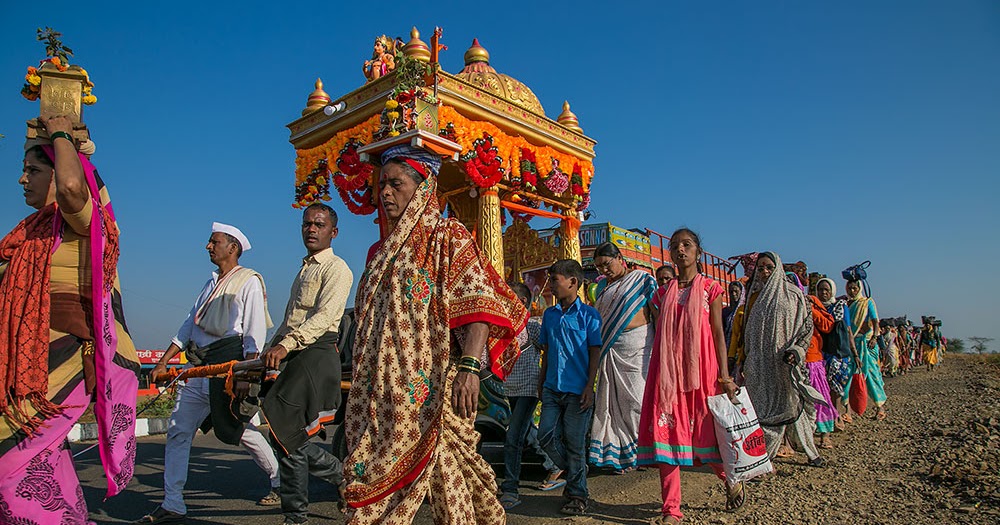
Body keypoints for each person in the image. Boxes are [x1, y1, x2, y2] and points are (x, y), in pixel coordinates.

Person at [342, 145, 527, 524]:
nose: (386, 193)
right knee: (371, 477)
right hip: (381, 394)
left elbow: (477, 305)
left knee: (456, 483)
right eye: (381, 186)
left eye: (396, 184)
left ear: (423, 187)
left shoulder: (447, 235)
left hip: (436, 389)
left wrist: (470, 369)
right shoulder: (379, 252)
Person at [1, 116, 140, 523]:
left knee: (10, 462)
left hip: (65, 361)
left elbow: (72, 188)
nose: (23, 180)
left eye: (33, 171)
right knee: (41, 456)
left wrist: (61, 133)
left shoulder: (85, 222)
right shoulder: (27, 233)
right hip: (26, 360)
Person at [138, 223, 279, 524]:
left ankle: (279, 479)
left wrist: (245, 374)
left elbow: (253, 334)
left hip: (229, 368)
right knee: (178, 430)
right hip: (197, 368)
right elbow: (189, 325)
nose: (208, 246)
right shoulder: (211, 282)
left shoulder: (248, 281)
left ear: (232, 248)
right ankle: (173, 502)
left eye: (214, 242)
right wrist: (164, 362)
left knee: (243, 433)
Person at [637, 228, 743, 524]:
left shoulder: (711, 288)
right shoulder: (661, 294)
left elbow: (719, 334)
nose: (680, 250)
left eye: (687, 245)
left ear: (698, 251)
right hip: (667, 373)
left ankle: (730, 479)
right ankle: (671, 509)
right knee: (666, 437)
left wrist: (725, 375)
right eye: (674, 246)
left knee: (705, 435)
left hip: (703, 371)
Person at [259, 203, 353, 525]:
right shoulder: (303, 269)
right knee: (284, 436)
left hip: (316, 354)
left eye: (319, 225)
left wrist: (285, 346)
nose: (311, 229)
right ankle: (340, 476)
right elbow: (289, 320)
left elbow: (325, 317)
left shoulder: (337, 269)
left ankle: (295, 517)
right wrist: (269, 349)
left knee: (287, 435)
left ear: (333, 232)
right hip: (294, 354)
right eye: (307, 224)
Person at [729, 252, 826, 467]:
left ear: (778, 268)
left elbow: (806, 327)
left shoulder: (794, 295)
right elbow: (746, 332)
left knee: (793, 408)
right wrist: (743, 359)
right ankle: (763, 459)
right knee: (763, 411)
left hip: (785, 364)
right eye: (761, 268)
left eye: (769, 267)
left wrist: (797, 351)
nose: (764, 272)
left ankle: (811, 452)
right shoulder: (754, 298)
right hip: (759, 366)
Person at [537, 259, 602, 516]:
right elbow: (547, 351)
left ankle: (577, 494)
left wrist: (590, 386)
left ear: (573, 282)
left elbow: (594, 353)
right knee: (545, 435)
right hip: (553, 387)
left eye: (555, 279)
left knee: (575, 444)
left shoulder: (589, 315)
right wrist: (541, 383)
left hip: (578, 390)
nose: (551, 285)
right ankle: (577, 473)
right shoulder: (549, 316)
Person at [587, 242, 658, 474]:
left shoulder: (642, 279)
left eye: (606, 265)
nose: (603, 271)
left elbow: (656, 315)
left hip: (638, 349)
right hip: (611, 352)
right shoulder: (603, 289)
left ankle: (647, 449)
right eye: (599, 268)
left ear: (619, 258)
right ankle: (621, 455)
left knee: (637, 401)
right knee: (612, 406)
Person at [498, 282, 562, 510]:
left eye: (507, 298)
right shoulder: (503, 326)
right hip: (510, 388)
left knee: (513, 437)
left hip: (528, 388)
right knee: (525, 432)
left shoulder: (532, 326)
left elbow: (548, 350)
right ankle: (553, 463)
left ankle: (510, 488)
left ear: (521, 301)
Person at [815, 278, 860, 429]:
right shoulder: (815, 308)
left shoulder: (840, 306)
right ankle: (831, 418)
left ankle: (836, 415)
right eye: (820, 290)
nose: (823, 293)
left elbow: (848, 331)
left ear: (832, 291)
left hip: (840, 354)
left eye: (826, 290)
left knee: (836, 390)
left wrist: (855, 354)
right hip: (823, 354)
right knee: (825, 389)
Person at [845, 279, 888, 421]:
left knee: (871, 374)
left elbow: (875, 321)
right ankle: (847, 410)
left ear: (860, 288)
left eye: (855, 288)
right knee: (849, 375)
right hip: (852, 344)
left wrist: (875, 337)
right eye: (849, 288)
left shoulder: (867, 302)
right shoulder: (846, 304)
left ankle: (879, 407)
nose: (852, 291)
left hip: (867, 343)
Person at [805, 289, 837, 449]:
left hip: (813, 360)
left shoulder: (810, 301)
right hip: (793, 361)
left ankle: (825, 435)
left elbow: (827, 325)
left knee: (820, 398)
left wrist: (810, 309)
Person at [721, 281, 744, 348]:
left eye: (736, 291)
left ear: (741, 292)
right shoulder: (725, 312)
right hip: (727, 346)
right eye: (731, 292)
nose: (733, 294)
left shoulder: (745, 309)